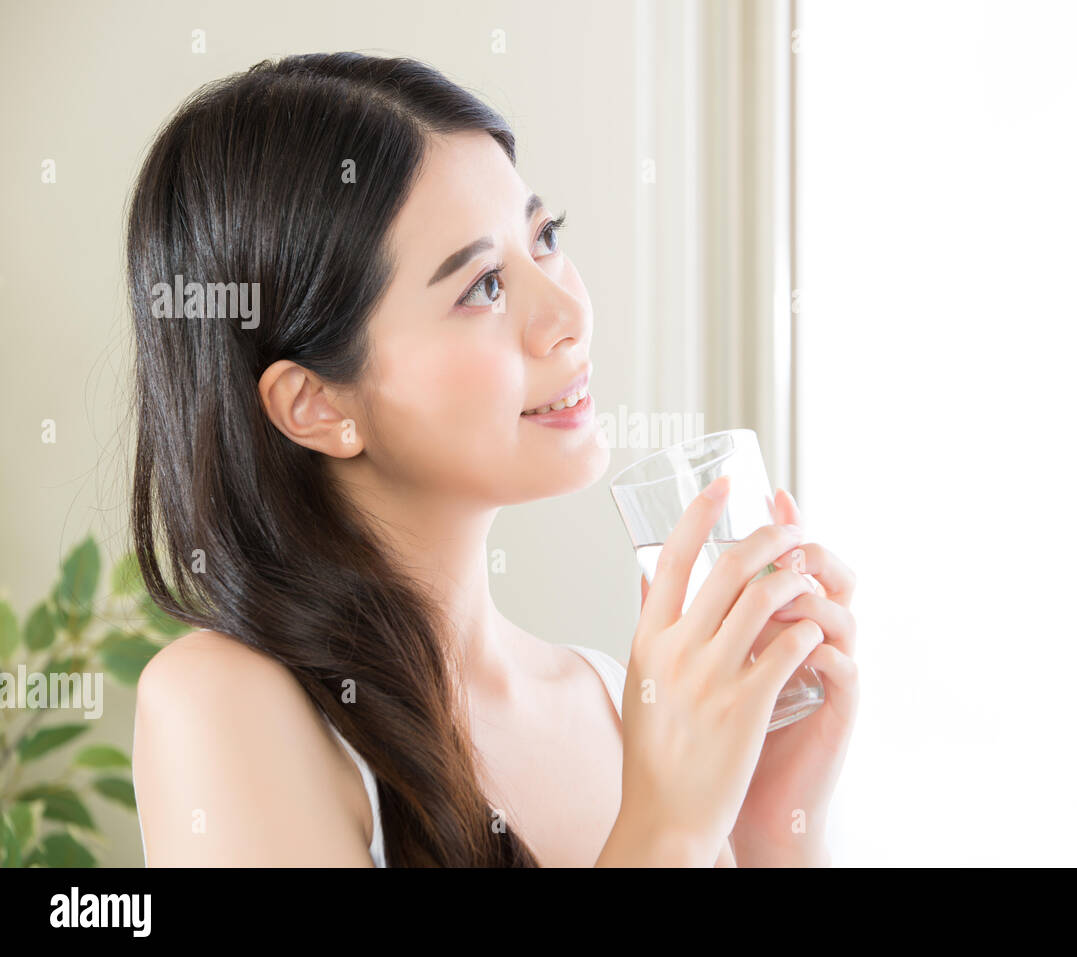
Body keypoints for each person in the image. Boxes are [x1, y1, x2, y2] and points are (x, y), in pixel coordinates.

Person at [127, 53, 858, 867]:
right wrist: (671, 828)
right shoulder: (221, 703)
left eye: (544, 238)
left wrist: (766, 832)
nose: (568, 312)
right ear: (318, 405)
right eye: (482, 286)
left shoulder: (615, 702)